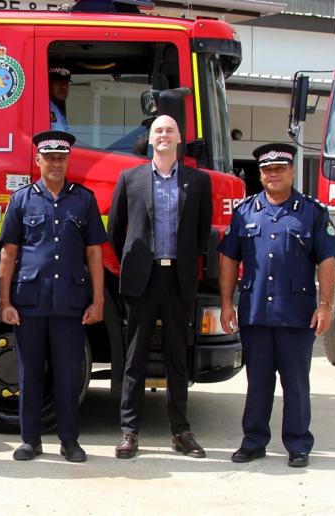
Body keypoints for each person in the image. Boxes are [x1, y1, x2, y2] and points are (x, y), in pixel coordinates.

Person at [219, 143, 335, 468]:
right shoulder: (245, 212)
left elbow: (327, 260)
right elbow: (229, 257)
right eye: (267, 170)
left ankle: (298, 443)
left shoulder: (312, 212)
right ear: (260, 174)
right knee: (257, 383)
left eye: (279, 169)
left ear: (290, 171)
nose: (273, 175)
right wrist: (227, 303)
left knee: (296, 384)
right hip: (256, 314)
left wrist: (326, 305)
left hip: (296, 316)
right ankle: (254, 441)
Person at [107, 115, 212, 459]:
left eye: (169, 130)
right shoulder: (130, 178)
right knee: (134, 358)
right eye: (158, 131)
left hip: (178, 279)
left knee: (177, 358)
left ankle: (181, 432)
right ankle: (129, 432)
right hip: (143, 279)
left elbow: (200, 234)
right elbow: (117, 231)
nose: (164, 135)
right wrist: (134, 265)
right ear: (149, 139)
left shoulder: (197, 182)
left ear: (179, 138)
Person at [0, 131, 105, 462]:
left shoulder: (83, 200)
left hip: (71, 302)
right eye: (50, 158)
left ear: (68, 161)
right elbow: (8, 253)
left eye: (61, 158)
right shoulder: (21, 200)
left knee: (68, 374)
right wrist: (5, 302)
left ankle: (69, 440)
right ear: (38, 161)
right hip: (29, 301)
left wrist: (98, 300)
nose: (56, 164)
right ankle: (30, 440)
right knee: (29, 373)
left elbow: (94, 254)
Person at [48, 67, 71, 132]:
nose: (63, 87)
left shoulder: (57, 110)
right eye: (58, 82)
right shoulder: (46, 108)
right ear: (48, 84)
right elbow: (58, 137)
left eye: (66, 83)